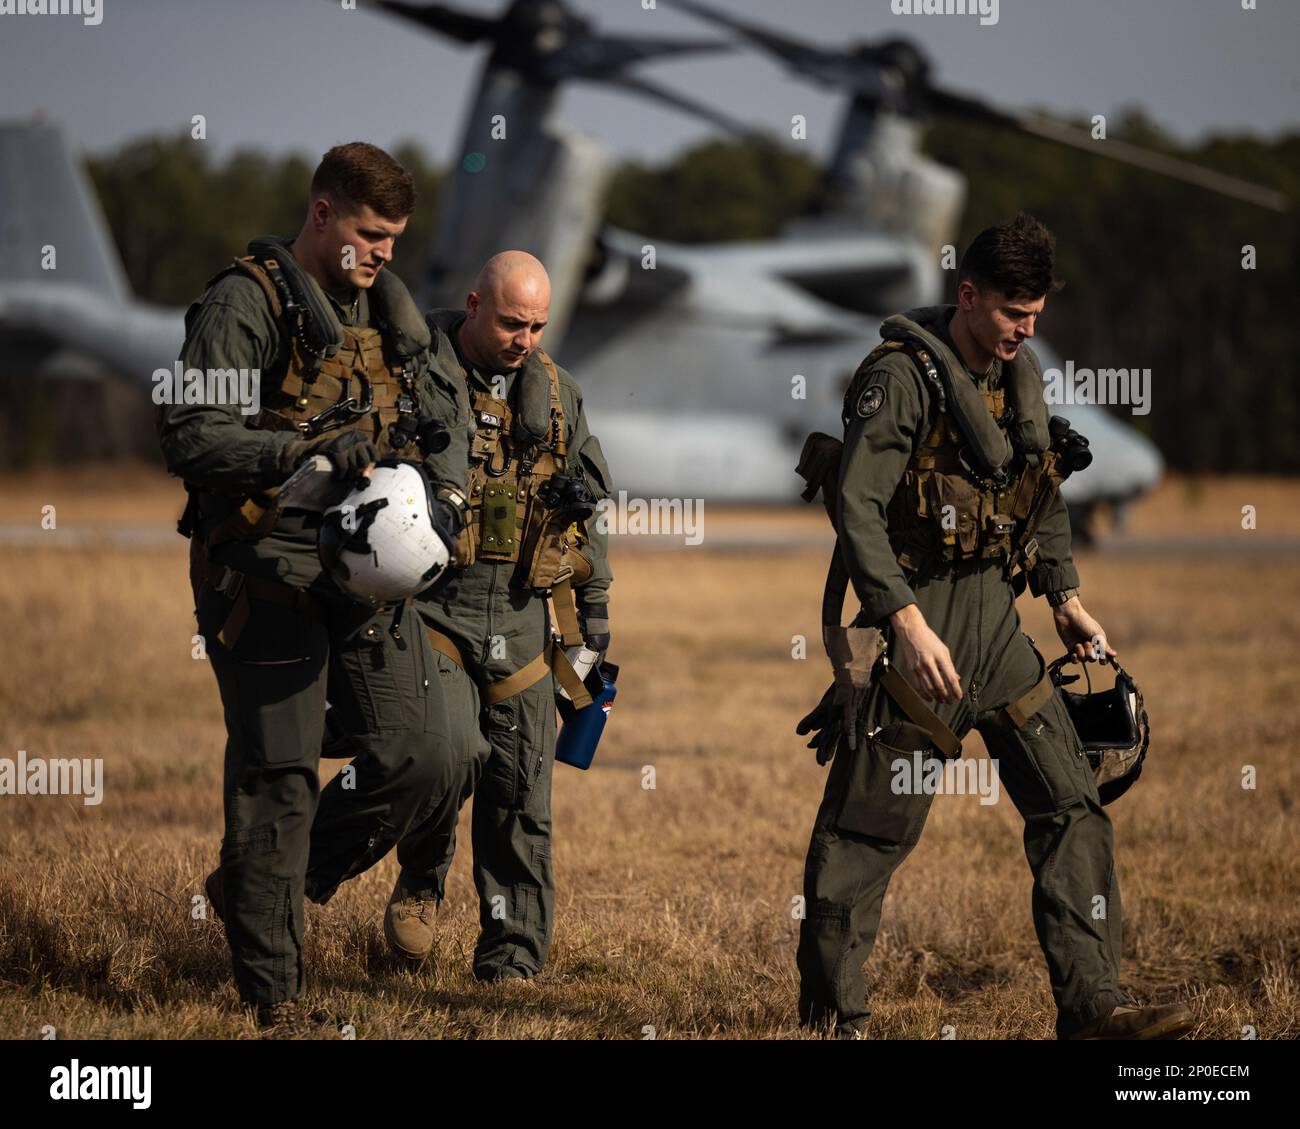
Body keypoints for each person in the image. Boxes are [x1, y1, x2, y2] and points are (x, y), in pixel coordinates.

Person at [794, 213, 1192, 1040]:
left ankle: (1095, 1007)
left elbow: (1037, 489)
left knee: (1072, 803)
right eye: (1014, 312)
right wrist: (902, 622)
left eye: (1036, 314)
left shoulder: (1021, 375)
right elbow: (859, 511)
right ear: (969, 295)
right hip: (916, 627)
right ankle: (836, 1017)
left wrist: (1066, 597)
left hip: (996, 629)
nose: (1026, 329)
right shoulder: (898, 380)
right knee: (870, 830)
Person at [159, 142, 471, 1033]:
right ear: (322, 211)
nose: (382, 255)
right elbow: (188, 433)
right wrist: (298, 451)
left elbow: (441, 411)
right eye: (370, 234)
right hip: (265, 568)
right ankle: (275, 996)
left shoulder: (389, 313)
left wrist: (441, 493)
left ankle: (261, 888)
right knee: (280, 781)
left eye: (395, 239)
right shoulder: (242, 305)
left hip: (367, 568)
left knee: (431, 757)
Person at [380, 251, 614, 983]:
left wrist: (596, 613)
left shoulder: (559, 396)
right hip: (434, 607)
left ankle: (510, 953)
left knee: (522, 789)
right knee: (445, 755)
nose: (526, 338)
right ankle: (421, 877)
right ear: (475, 303)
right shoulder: (417, 376)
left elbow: (587, 516)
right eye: (513, 321)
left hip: (521, 615)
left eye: (538, 325)